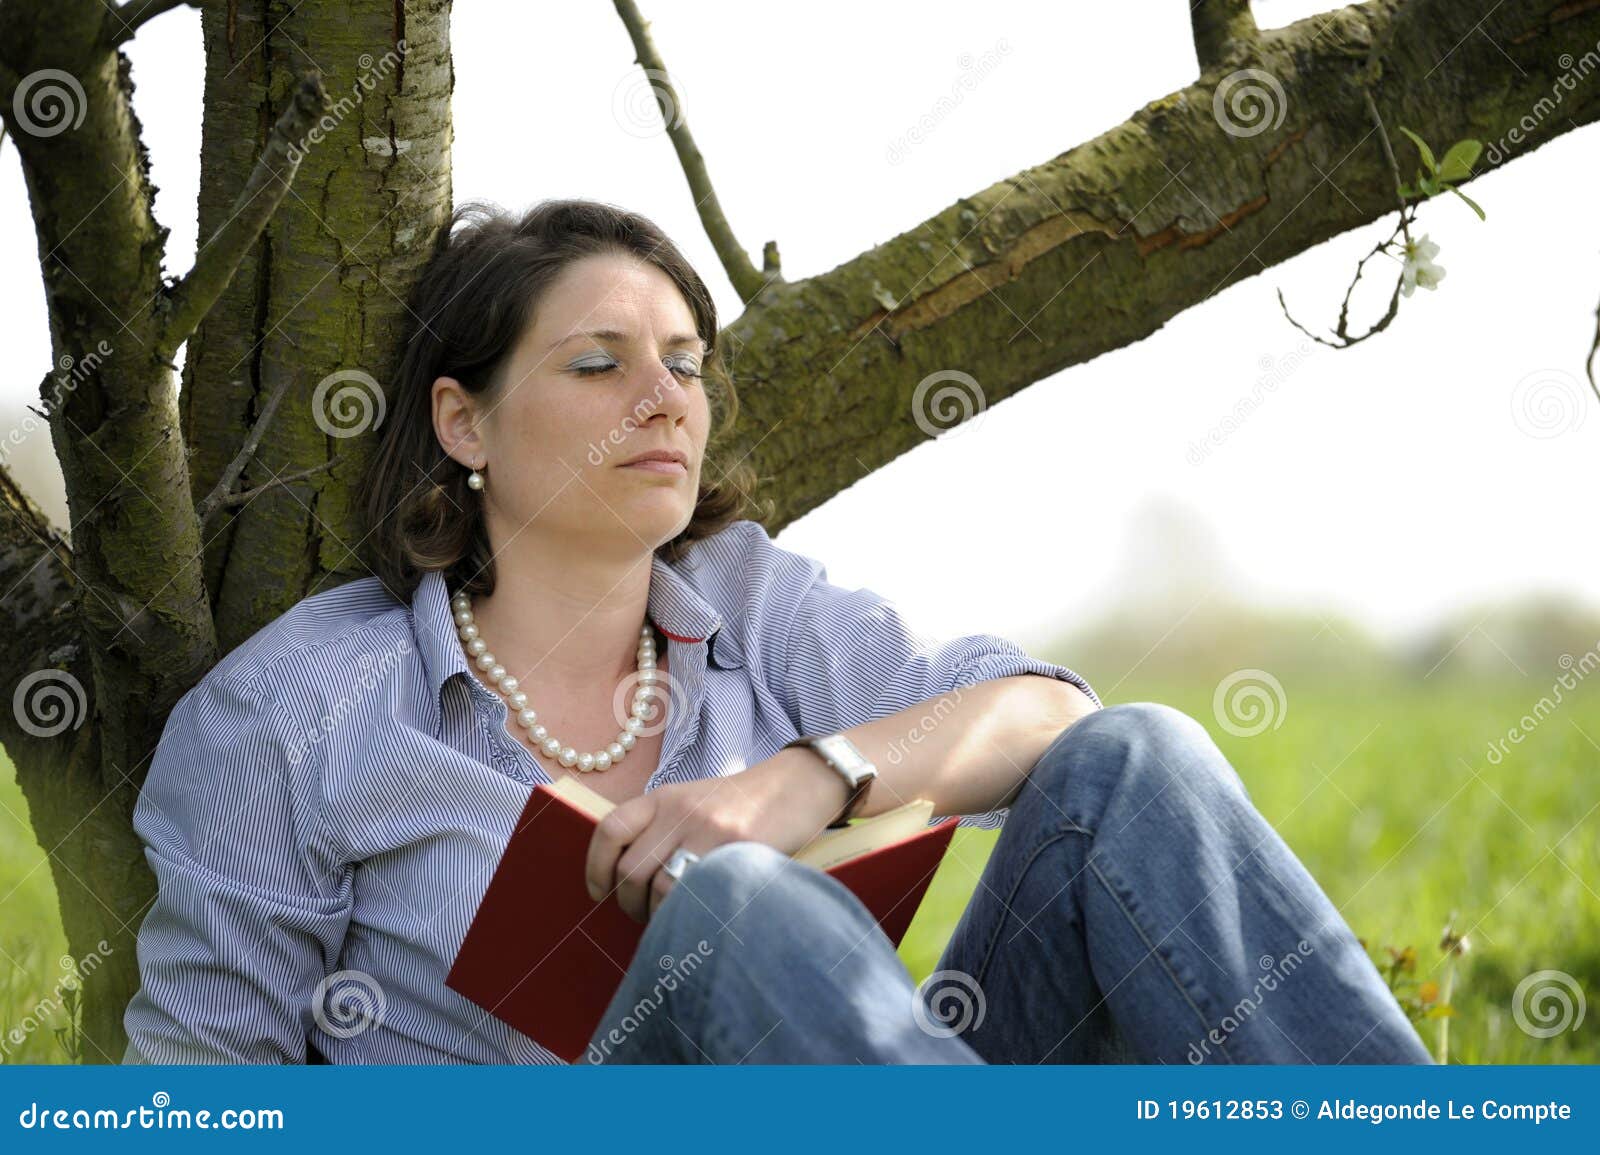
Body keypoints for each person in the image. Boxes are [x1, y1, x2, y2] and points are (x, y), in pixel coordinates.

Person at [121, 198, 1431, 1065]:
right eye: (599, 365)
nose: (664, 401)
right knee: (734, 908)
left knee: (1135, 758)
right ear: (464, 424)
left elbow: (1048, 713)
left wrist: (804, 780)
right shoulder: (293, 715)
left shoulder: (749, 603)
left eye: (685, 363)